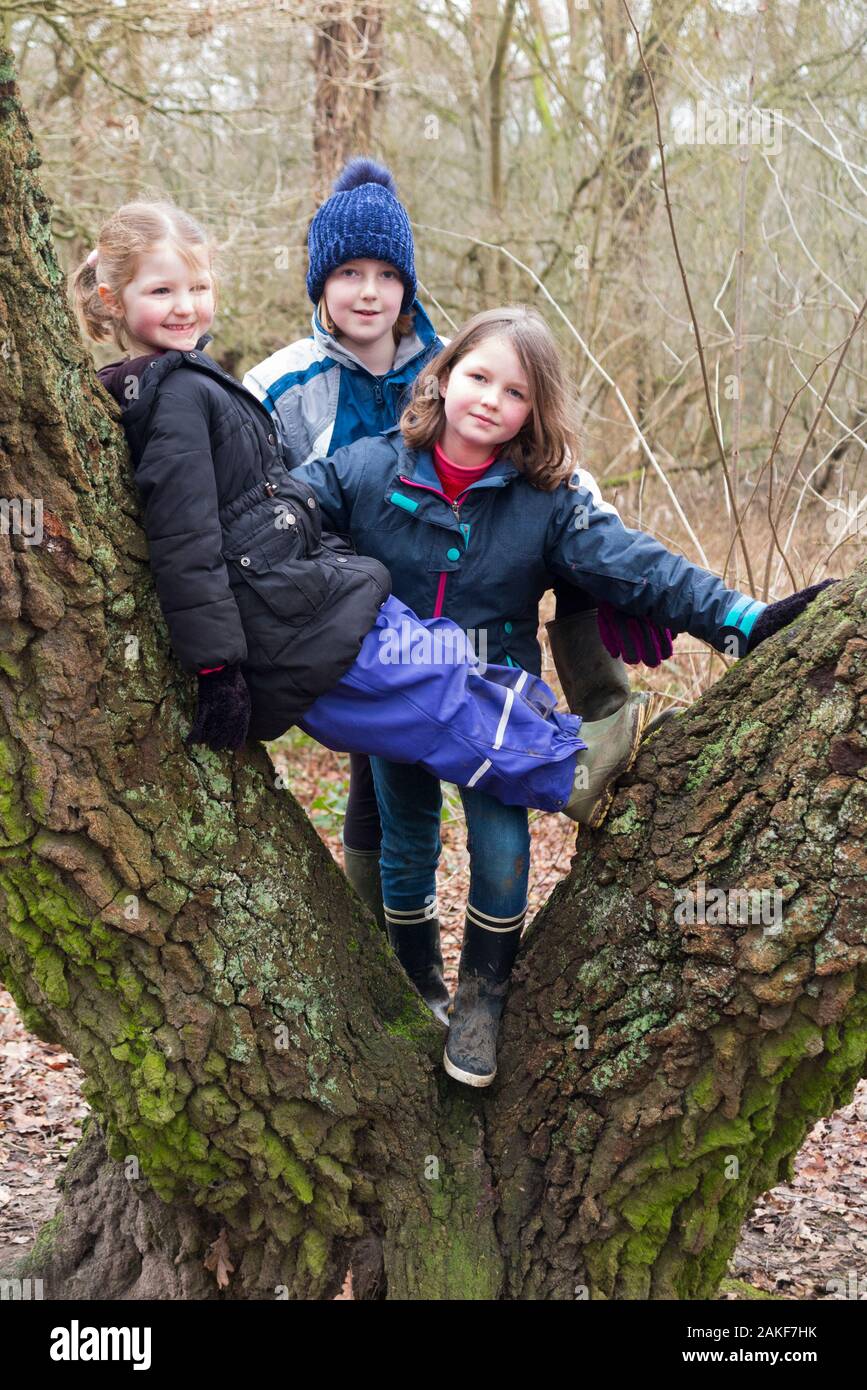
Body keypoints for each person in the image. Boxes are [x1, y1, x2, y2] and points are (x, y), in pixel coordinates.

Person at [70, 200, 682, 1038]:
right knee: (421, 735)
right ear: (110, 298)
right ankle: (550, 785)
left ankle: (553, 765)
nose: (185, 305)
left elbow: (550, 482)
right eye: (162, 290)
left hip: (324, 586)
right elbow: (192, 535)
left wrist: (601, 568)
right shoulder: (237, 383)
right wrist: (216, 665)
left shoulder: (442, 365)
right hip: (295, 601)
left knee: (441, 681)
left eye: (198, 286)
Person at [288, 304, 837, 1087]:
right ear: (441, 379)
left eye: (514, 393)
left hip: (495, 709)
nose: (489, 400)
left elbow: (635, 562)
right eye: (477, 376)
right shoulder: (368, 468)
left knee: (502, 847)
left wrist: (738, 619)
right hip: (399, 695)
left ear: (532, 414)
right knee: (405, 843)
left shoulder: (545, 501)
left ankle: (483, 997)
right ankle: (417, 987)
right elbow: (286, 504)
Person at [241, 156, 667, 938]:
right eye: (346, 273)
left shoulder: (447, 366)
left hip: (451, 603)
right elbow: (267, 499)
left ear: (406, 284)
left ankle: (591, 717)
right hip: (351, 614)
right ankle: (385, 958)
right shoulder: (280, 384)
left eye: (384, 274)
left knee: (458, 736)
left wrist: (603, 549)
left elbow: (533, 460)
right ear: (318, 282)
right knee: (383, 791)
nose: (367, 292)